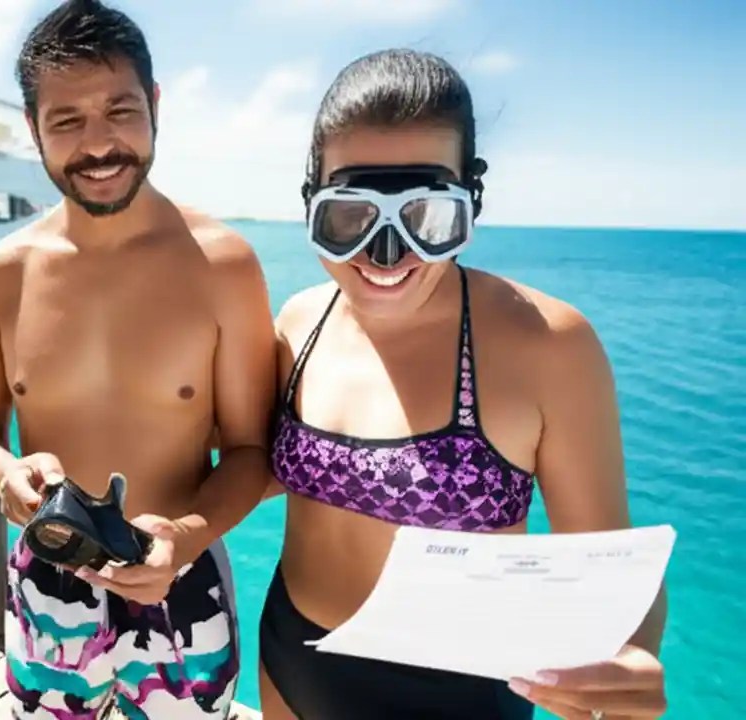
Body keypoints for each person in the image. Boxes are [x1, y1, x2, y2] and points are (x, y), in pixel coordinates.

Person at [259, 49, 669, 720]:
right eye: (350, 215)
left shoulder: (549, 346)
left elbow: (611, 560)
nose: (387, 253)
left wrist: (630, 655)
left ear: (470, 203)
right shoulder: (300, 322)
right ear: (312, 205)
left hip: (461, 698)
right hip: (291, 653)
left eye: (427, 217)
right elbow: (259, 465)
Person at [0, 1, 277, 717]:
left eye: (120, 111)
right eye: (67, 121)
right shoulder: (6, 272)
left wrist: (183, 539)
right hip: (46, 582)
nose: (99, 145)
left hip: (182, 581)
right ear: (33, 127)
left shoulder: (222, 264)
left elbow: (255, 452)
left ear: (155, 105)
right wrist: (7, 473)